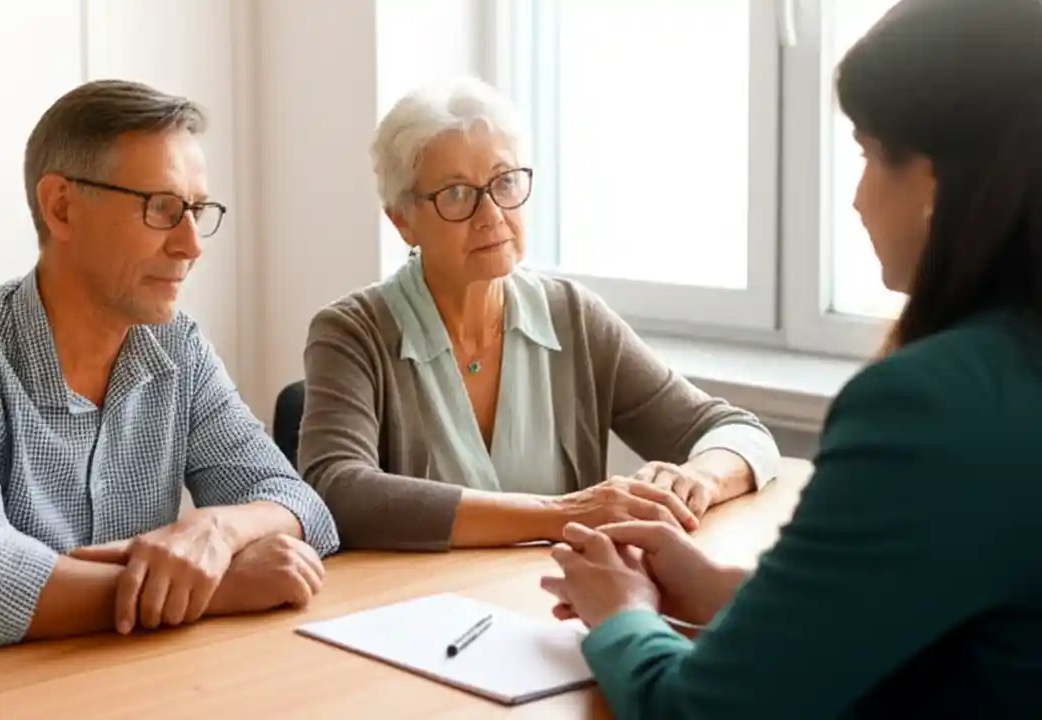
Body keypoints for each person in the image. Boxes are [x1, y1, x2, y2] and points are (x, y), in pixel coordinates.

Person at [541, 0, 1042, 716]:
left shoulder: (931, 408)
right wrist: (722, 589)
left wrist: (623, 617)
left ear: (934, 180)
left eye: (869, 155)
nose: (859, 201)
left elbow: (702, 711)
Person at [0, 80, 339, 671]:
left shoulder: (179, 349)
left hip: (92, 668)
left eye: (197, 211)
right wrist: (213, 591)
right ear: (62, 207)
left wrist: (218, 529)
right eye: (162, 208)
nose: (191, 245)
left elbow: (303, 508)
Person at [299, 78, 779, 551]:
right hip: (414, 612)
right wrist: (565, 516)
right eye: (457, 194)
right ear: (402, 219)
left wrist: (701, 478)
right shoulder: (351, 333)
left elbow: (735, 431)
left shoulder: (573, 317)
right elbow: (336, 489)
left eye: (504, 182)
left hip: (551, 602)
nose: (491, 215)